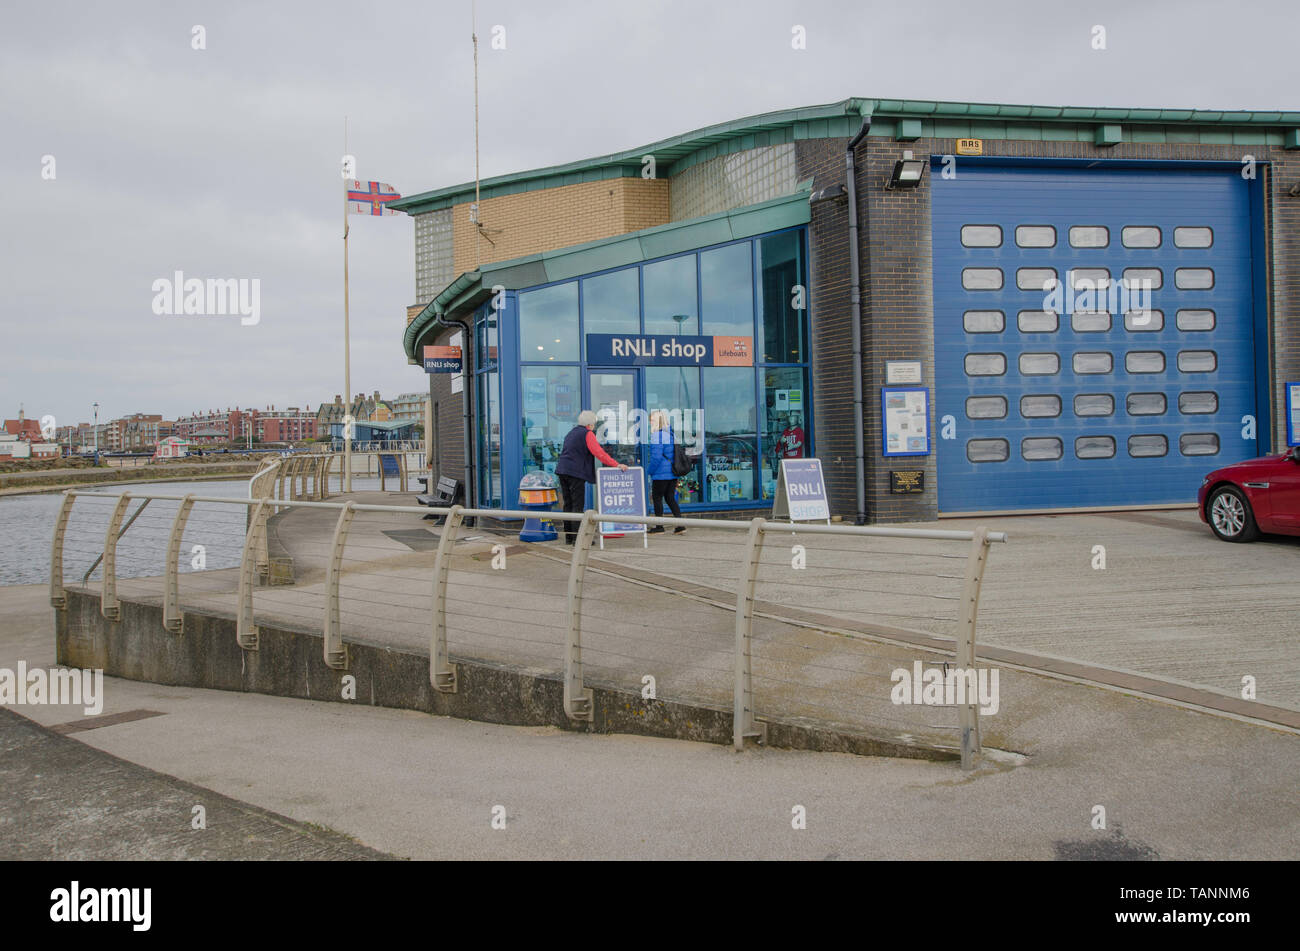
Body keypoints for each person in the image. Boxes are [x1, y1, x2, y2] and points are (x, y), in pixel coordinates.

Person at [555, 410, 628, 545]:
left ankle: (569, 537)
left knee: (568, 504)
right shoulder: (587, 434)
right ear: (590, 424)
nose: (594, 426)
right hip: (575, 473)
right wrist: (616, 464)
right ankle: (578, 540)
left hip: (562, 470)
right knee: (577, 505)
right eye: (594, 424)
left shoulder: (571, 433)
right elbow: (599, 453)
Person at [647, 410, 686, 534]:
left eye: (651, 420)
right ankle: (680, 525)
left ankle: (659, 526)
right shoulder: (671, 434)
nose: (650, 423)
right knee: (670, 498)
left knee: (657, 498)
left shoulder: (656, 435)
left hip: (660, 474)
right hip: (672, 472)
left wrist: (649, 471)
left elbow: (656, 457)